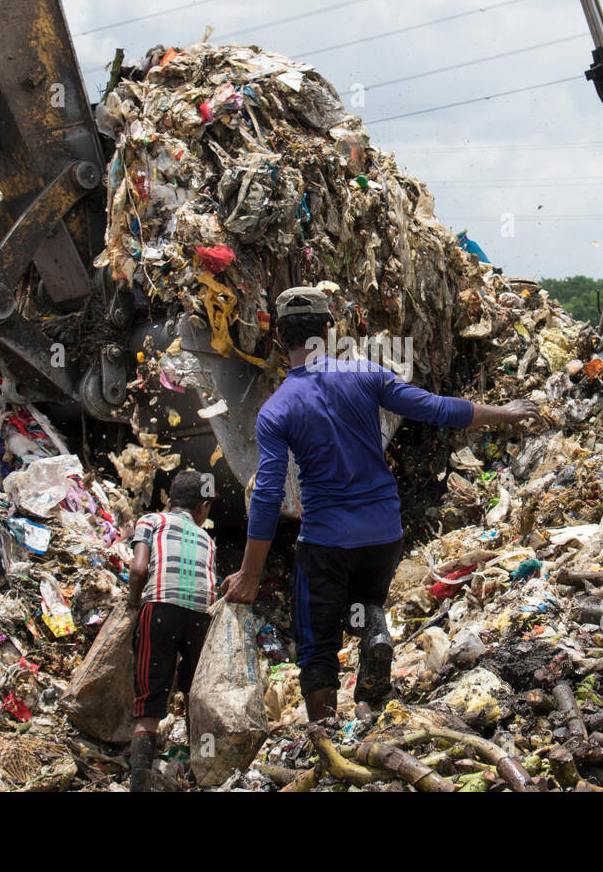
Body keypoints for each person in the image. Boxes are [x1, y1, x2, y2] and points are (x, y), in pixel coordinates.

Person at [221, 286, 540, 721]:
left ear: (278, 338)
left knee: (317, 647)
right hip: (384, 535)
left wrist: (250, 574)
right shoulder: (367, 375)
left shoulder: (276, 410)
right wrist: (504, 412)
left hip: (327, 541)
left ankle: (327, 744)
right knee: (357, 606)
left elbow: (268, 494)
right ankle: (373, 627)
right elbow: (435, 408)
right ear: (329, 332)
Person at [126, 469, 217, 792]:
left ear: (169, 499)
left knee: (150, 703)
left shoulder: (151, 522)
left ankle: (139, 783)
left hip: (160, 608)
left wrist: (133, 603)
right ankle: (198, 772)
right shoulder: (207, 539)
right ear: (203, 508)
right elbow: (211, 589)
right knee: (193, 694)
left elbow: (138, 569)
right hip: (199, 617)